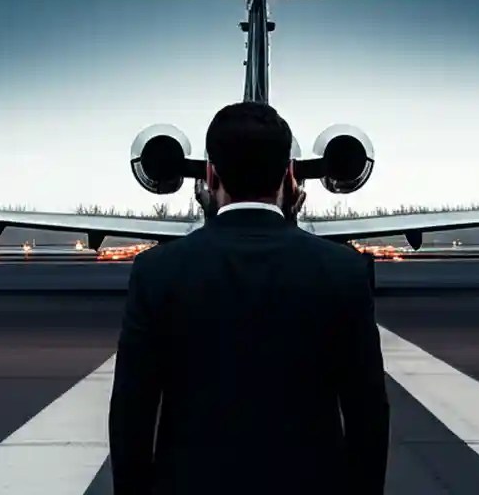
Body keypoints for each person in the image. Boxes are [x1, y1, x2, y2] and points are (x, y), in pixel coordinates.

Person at [109, 101, 389, 495]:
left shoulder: (156, 271)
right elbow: (367, 413)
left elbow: (131, 414)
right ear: (290, 174)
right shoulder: (344, 270)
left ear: (210, 174)